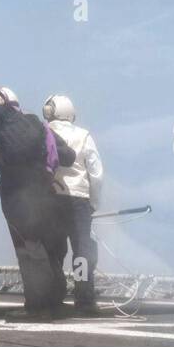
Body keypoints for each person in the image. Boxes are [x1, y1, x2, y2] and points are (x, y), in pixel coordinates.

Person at [0, 86, 74, 318]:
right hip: (43, 187)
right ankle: (54, 301)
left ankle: (37, 306)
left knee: (27, 246)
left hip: (15, 189)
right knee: (46, 245)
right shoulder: (35, 122)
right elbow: (65, 154)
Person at [42, 94, 104, 314]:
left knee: (54, 251)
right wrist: (93, 203)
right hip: (79, 200)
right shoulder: (84, 135)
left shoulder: (43, 132)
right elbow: (96, 173)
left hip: (51, 198)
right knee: (81, 251)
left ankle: (53, 297)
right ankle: (84, 300)